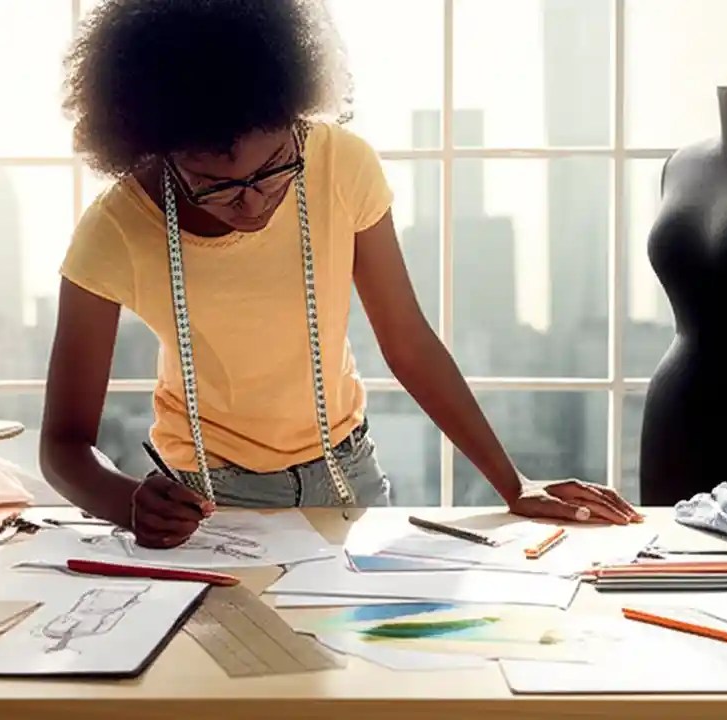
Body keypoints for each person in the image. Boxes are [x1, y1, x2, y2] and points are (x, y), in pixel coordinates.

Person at [41, 0, 641, 549]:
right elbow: (62, 444)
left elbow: (406, 340)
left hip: (351, 480)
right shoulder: (115, 230)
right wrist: (128, 503)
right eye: (216, 185)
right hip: (205, 505)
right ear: (156, 149)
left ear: (296, 119)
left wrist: (515, 484)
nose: (253, 202)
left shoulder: (341, 164)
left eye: (275, 167)